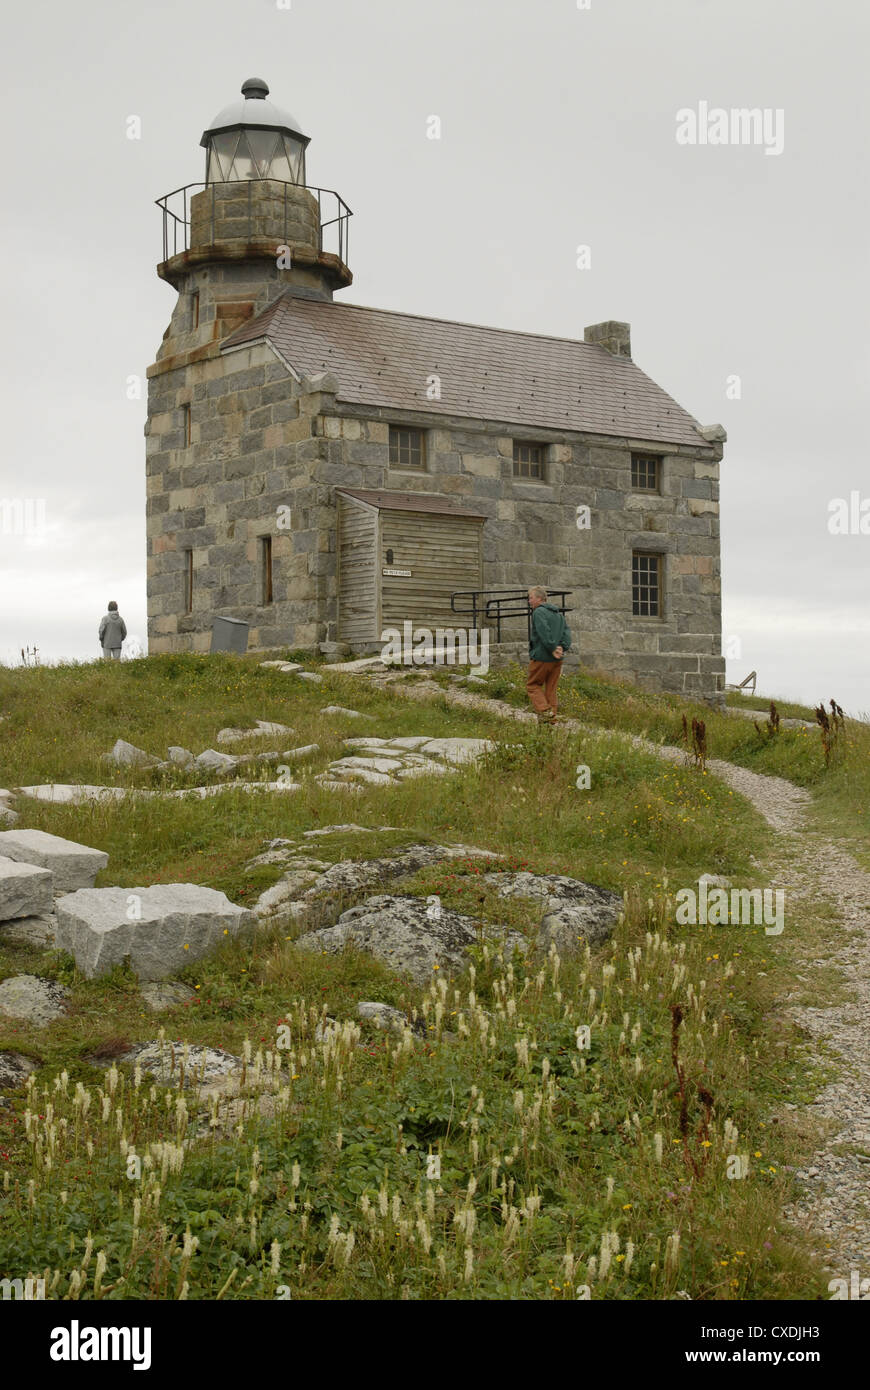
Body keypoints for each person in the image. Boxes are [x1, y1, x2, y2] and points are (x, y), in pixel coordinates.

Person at [526, 585, 571, 725]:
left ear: (539, 598)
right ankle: (551, 722)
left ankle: (545, 712)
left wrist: (552, 647)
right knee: (550, 689)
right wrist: (562, 648)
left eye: (531, 598)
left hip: (542, 657)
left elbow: (543, 631)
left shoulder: (538, 612)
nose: (529, 601)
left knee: (532, 685)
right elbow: (567, 634)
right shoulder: (559, 615)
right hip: (557, 659)